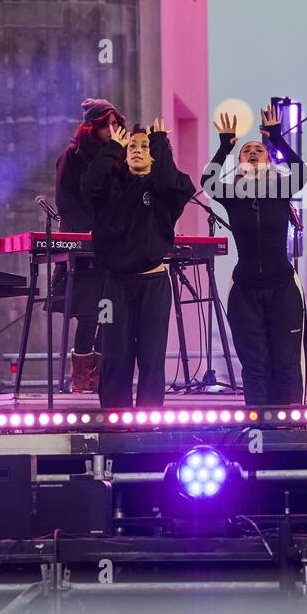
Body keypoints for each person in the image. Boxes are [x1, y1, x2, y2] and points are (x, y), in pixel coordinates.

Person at [82, 118, 195, 408]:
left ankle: (149, 425)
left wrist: (159, 143)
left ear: (154, 154)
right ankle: (115, 422)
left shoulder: (165, 191)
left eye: (144, 146)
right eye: (132, 145)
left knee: (151, 357)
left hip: (153, 284)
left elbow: (173, 184)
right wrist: (112, 148)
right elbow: (90, 183)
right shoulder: (111, 187)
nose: (137, 150)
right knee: (115, 356)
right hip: (115, 285)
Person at [205, 104, 307, 407]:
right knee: (255, 365)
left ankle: (289, 430)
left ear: (269, 161)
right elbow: (209, 182)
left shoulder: (281, 189)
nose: (252, 153)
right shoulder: (232, 195)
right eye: (247, 151)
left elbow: (301, 172)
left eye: (258, 151)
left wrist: (277, 139)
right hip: (245, 290)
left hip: (283, 288)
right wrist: (224, 147)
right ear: (238, 163)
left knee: (286, 364)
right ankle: (259, 427)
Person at [54, 97, 127, 391]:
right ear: (93, 127)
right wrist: (88, 232)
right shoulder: (71, 156)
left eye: (115, 123)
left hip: (113, 245)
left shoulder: (119, 155)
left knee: (109, 314)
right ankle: (81, 381)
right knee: (88, 315)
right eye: (106, 125)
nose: (112, 129)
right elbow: (66, 201)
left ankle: (100, 378)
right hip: (84, 246)